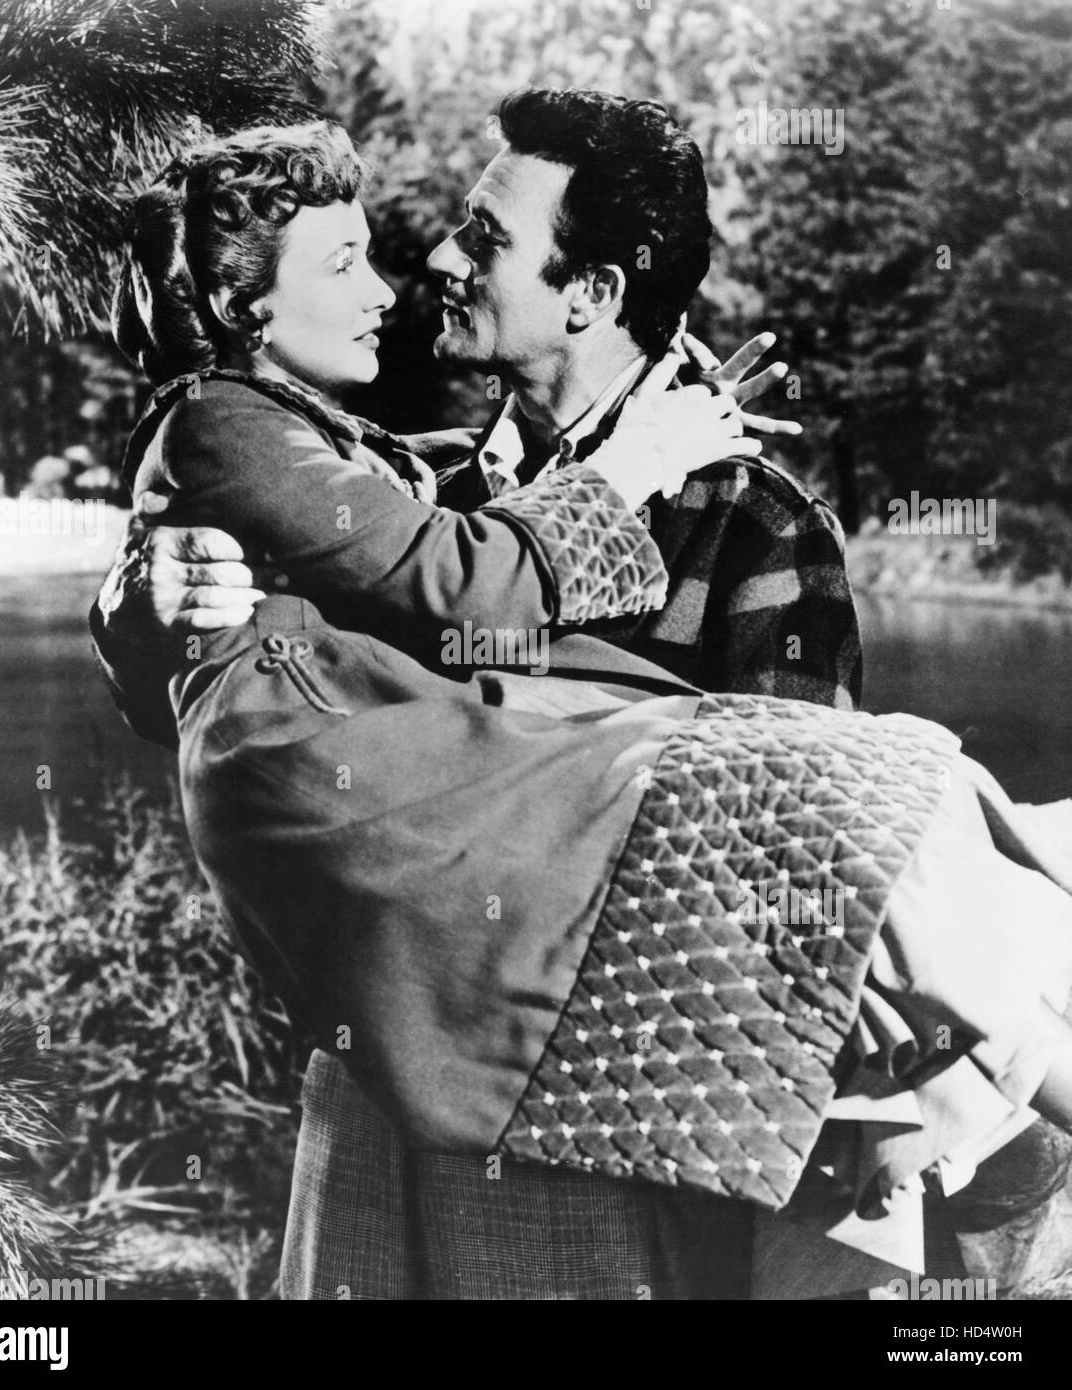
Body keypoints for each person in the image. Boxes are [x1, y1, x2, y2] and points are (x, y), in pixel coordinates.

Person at [94, 104, 1072, 1302]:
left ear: (590, 292)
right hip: (387, 1081)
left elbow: (812, 866)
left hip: (617, 1133)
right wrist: (137, 606)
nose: (436, 264)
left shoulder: (750, 520)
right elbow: (276, 636)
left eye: (482, 236)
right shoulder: (431, 481)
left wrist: (896, 1109)